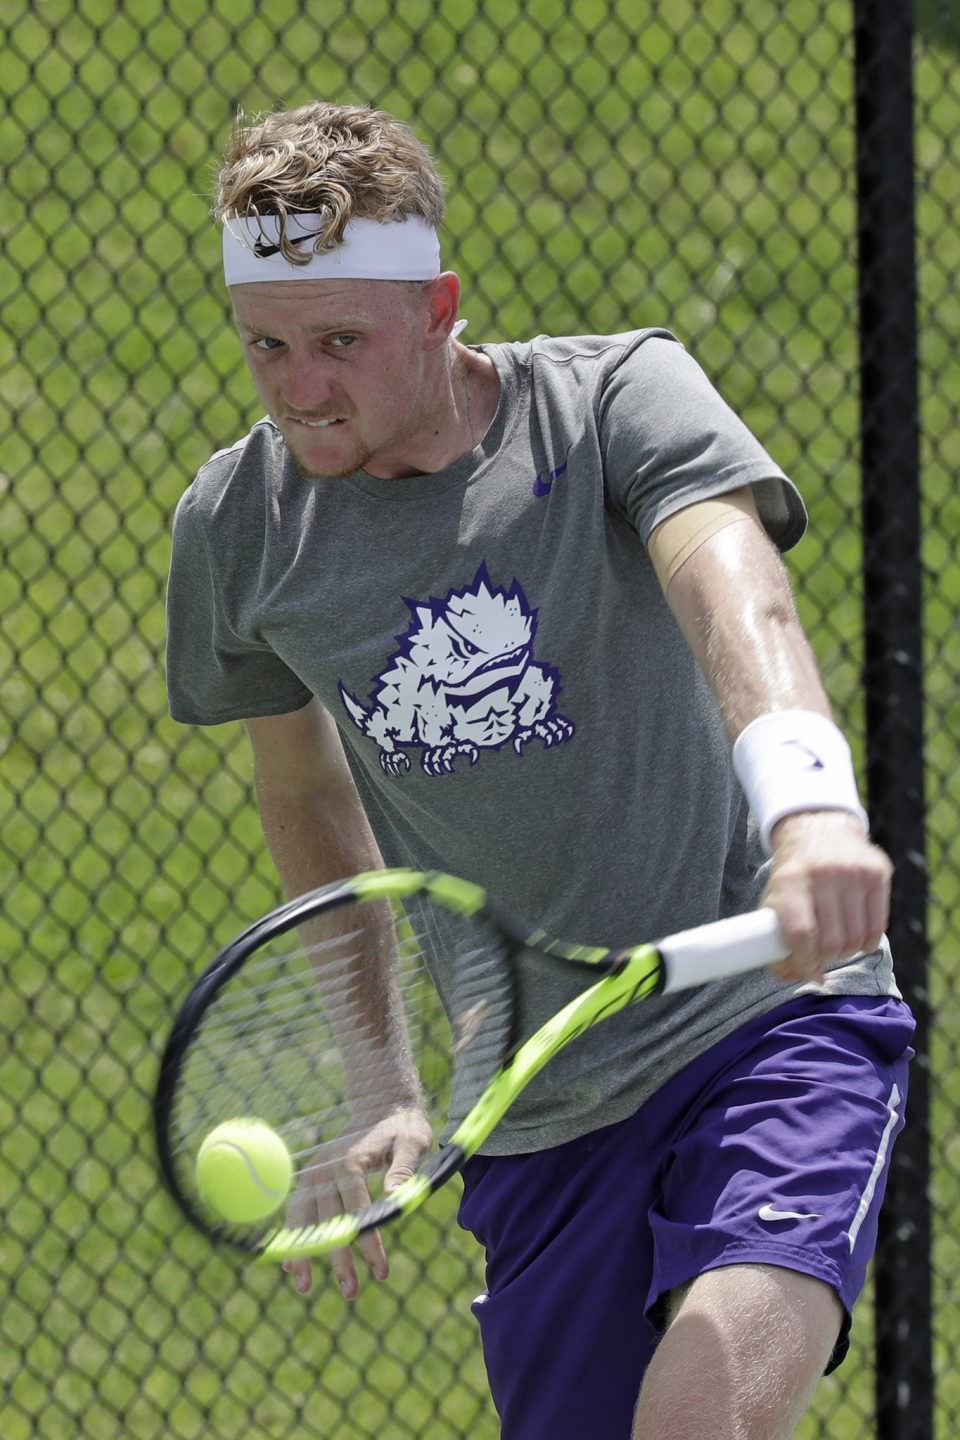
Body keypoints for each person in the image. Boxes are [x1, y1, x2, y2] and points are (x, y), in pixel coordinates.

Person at [165, 101, 914, 1440]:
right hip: (536, 1111)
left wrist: (809, 810)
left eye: (339, 341)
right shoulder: (240, 529)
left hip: (767, 1013)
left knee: (694, 1420)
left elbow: (735, 589)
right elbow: (305, 793)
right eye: (266, 344)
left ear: (440, 307)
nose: (297, 384)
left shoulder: (613, 399)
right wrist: (384, 1077)